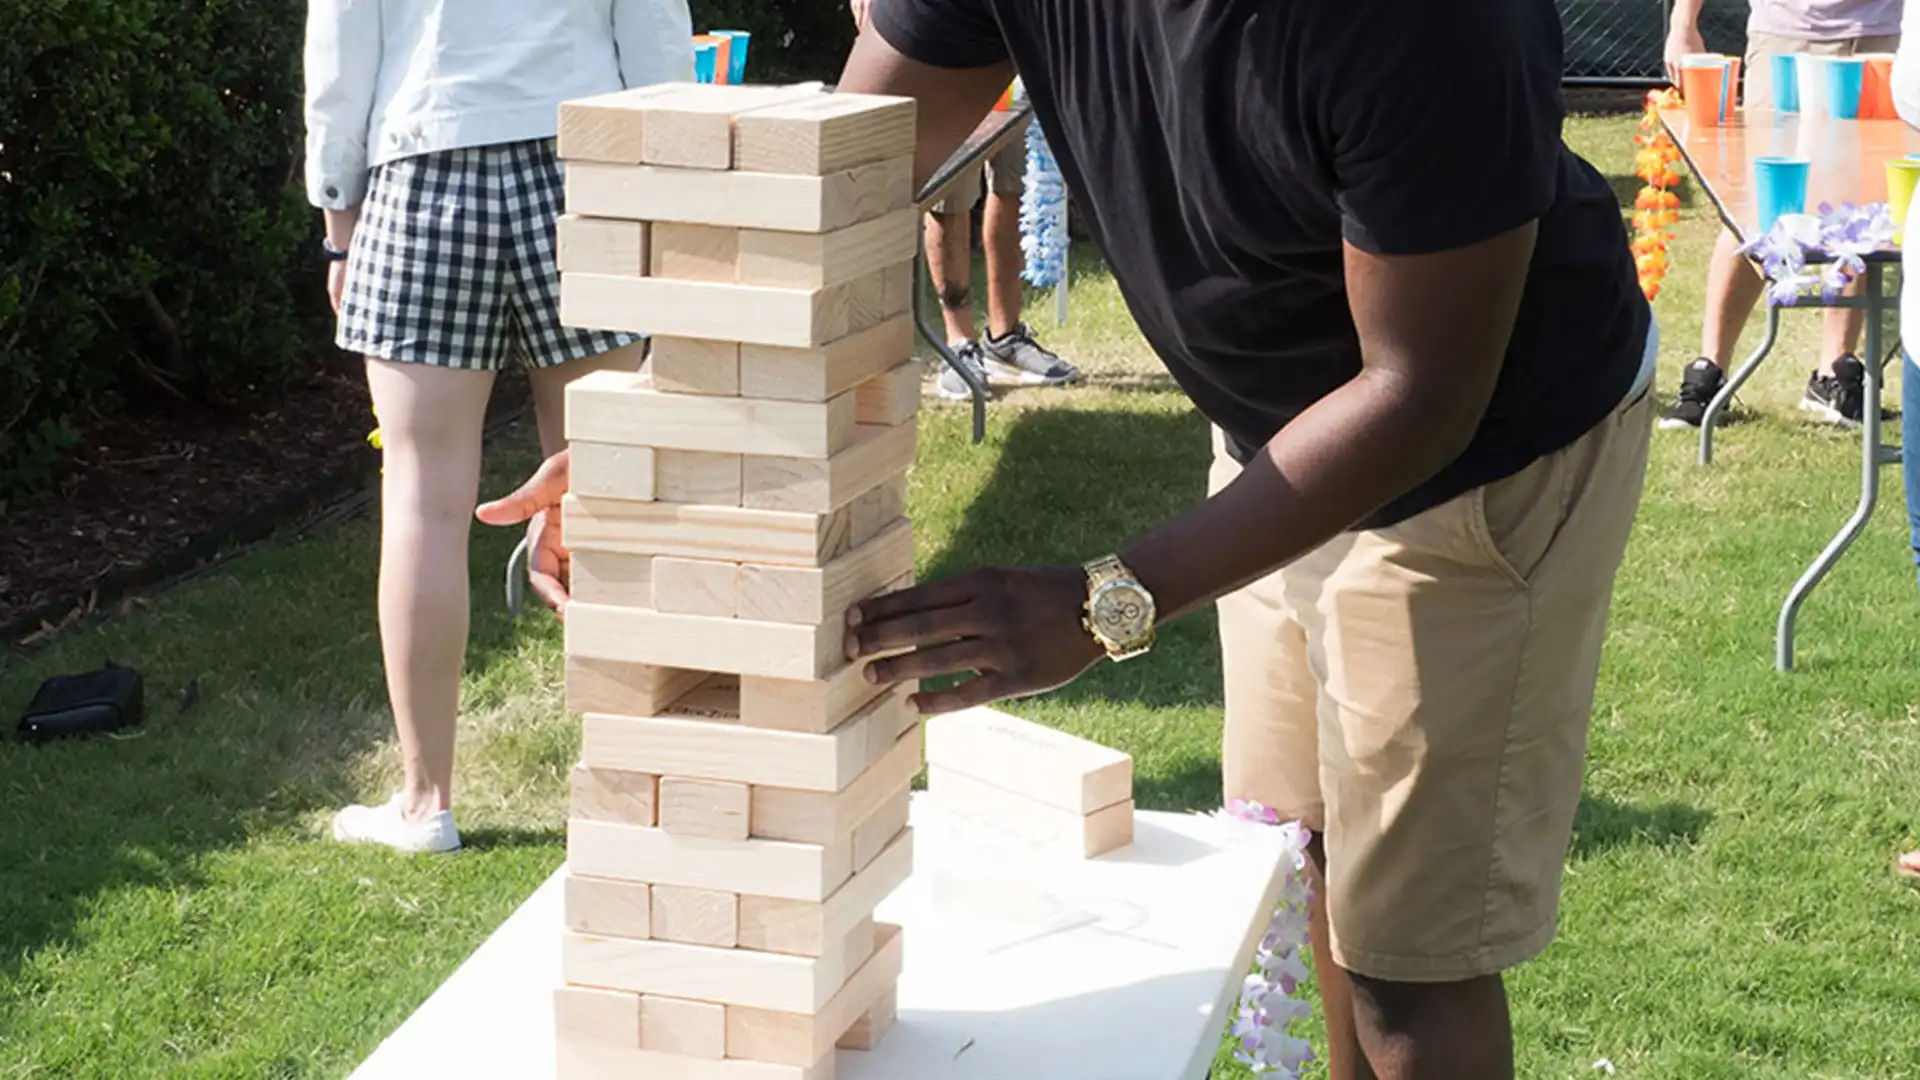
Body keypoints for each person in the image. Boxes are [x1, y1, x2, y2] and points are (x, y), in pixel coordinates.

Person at [484, 0, 1656, 1073]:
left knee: (1412, 961)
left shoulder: (1423, 24)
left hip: (1480, 462)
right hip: (1281, 433)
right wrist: (670, 440)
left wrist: (1109, 601)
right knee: (1301, 862)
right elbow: (830, 180)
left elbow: (1422, 392)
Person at [305, 0, 692, 854]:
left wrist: (339, 223)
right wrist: (670, 184)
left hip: (423, 167)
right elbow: (655, 31)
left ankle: (423, 803)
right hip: (583, 166)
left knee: (420, 501)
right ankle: (642, 781)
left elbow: (341, 50)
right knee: (608, 486)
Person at [1660, 0, 1902, 430]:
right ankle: (1710, 374)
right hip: (1784, 38)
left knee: (1861, 208)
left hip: (1883, 36)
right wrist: (1683, 23)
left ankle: (1833, 375)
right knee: (1754, 203)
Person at [848, 0, 1081, 401]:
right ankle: (960, 344)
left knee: (1013, 188)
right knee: (948, 199)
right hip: (936, 38)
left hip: (1010, 41)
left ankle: (1005, 338)